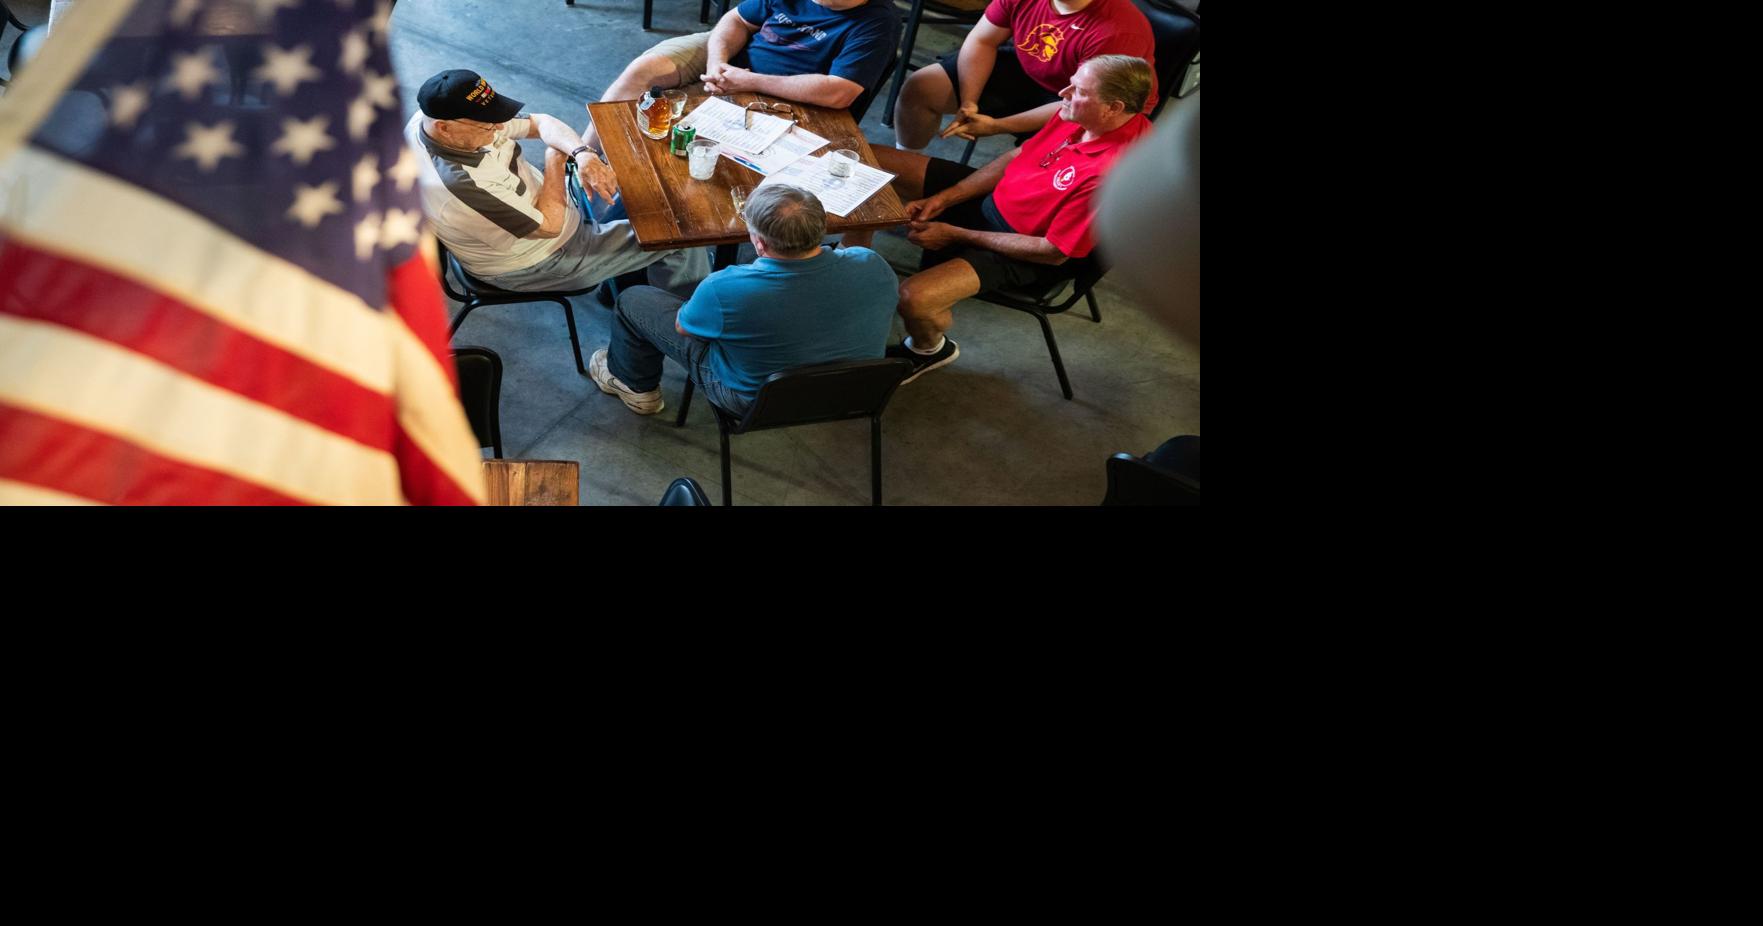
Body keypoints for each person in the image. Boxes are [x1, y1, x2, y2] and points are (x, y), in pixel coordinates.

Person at [847, 55, 1152, 382]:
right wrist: (945, 197)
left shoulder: (1112, 174)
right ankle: (855, 266)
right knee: (870, 160)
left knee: (914, 298)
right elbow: (1018, 155)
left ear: (1113, 108)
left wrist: (956, 233)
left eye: (1077, 90)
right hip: (997, 199)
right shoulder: (1078, 113)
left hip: (1022, 249)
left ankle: (928, 349)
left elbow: (1053, 252)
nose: (1063, 93)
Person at [589, 184, 896, 418]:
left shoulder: (726, 287)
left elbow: (684, 327)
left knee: (634, 301)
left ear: (759, 243)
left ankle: (635, 385)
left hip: (754, 401)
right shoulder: (873, 264)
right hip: (851, 394)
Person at [404, 69, 708, 294]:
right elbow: (549, 225)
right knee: (681, 237)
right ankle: (688, 331)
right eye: (487, 125)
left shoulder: (430, 118)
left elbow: (541, 123)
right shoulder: (464, 186)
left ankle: (624, 281)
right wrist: (556, 159)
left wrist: (583, 154)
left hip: (541, 211)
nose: (499, 127)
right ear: (444, 128)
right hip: (541, 258)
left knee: (638, 188)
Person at [579, 0, 900, 151]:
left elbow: (838, 92)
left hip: (781, 90)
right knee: (644, 71)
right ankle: (582, 157)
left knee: (682, 120)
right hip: (735, 59)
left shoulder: (876, 23)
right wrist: (717, 65)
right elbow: (738, 21)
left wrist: (746, 81)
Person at [891, 0, 1156, 153]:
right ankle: (902, 172)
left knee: (1029, 161)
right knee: (922, 87)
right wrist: (968, 102)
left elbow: (1079, 98)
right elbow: (983, 40)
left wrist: (998, 125)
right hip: (1034, 68)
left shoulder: (1118, 31)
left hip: (1092, 102)